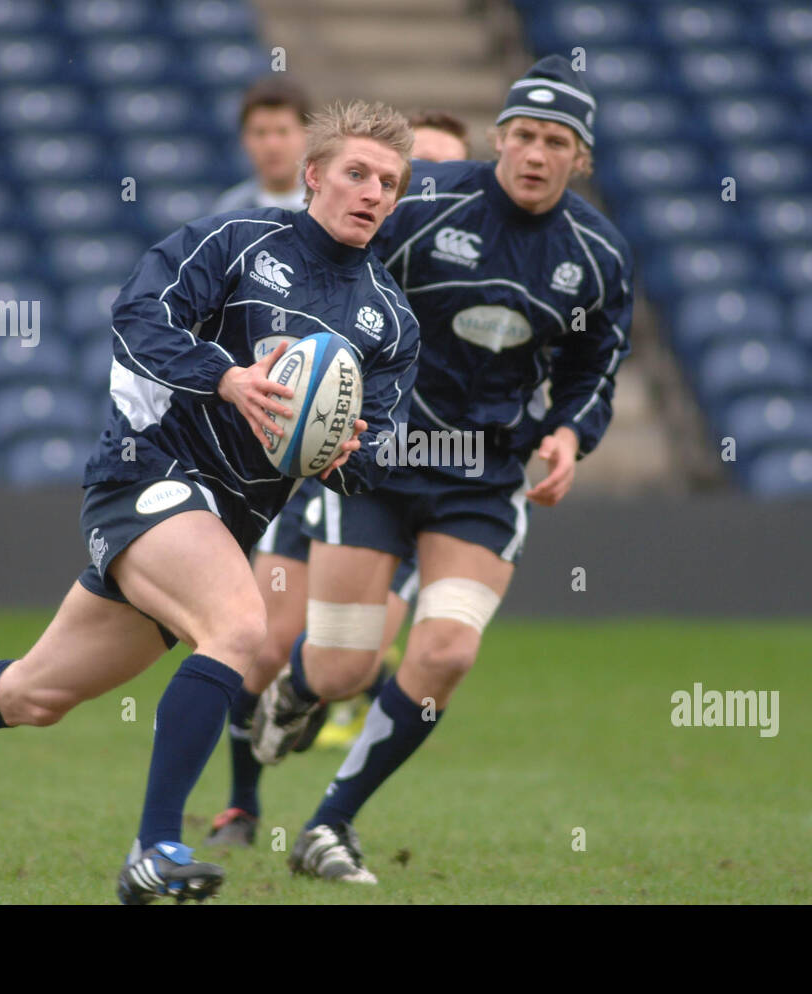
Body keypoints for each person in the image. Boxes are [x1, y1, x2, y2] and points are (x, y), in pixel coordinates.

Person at [0, 101, 421, 904]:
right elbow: (137, 316)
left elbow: (381, 450)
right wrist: (225, 376)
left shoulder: (393, 321)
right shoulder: (235, 241)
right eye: (356, 172)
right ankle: (153, 852)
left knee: (37, 695)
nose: (372, 190)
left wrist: (346, 454)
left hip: (225, 525)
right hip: (148, 475)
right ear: (313, 176)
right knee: (239, 627)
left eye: (389, 181)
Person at [251, 56, 635, 884]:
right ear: (499, 137)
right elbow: (331, 265)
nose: (536, 153)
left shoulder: (598, 253)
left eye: (556, 141)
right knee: (346, 666)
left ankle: (329, 825)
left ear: (580, 158)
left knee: (447, 652)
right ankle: (292, 693)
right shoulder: (425, 200)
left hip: (485, 479)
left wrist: (571, 432)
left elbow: (596, 363)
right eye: (524, 135)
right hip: (380, 464)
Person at [205, 110, 475, 849]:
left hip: (422, 476)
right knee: (261, 640)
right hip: (333, 463)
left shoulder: (478, 266)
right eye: (423, 175)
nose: (428, 193)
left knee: (349, 666)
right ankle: (241, 806)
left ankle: (307, 700)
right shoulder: (338, 247)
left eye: (448, 175)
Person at [213, 77, 311, 213]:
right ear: (244, 139)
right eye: (260, 133)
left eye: (283, 132)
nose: (272, 145)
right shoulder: (229, 212)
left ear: (307, 134)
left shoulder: (330, 208)